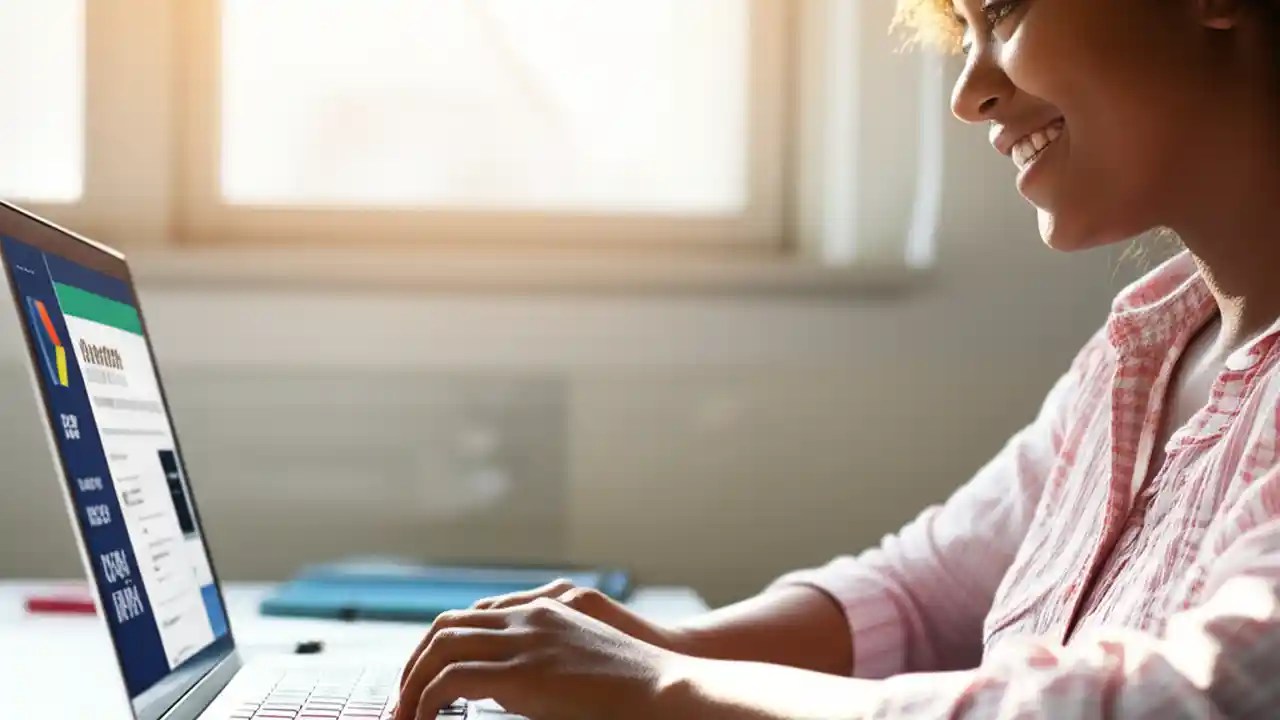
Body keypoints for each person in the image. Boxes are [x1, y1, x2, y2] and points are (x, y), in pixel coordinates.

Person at [395, 0, 1280, 716]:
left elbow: (1193, 700)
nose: (968, 94)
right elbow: (925, 591)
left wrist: (668, 690)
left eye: (1004, 12)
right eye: (962, 31)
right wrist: (656, 648)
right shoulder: (1146, 351)